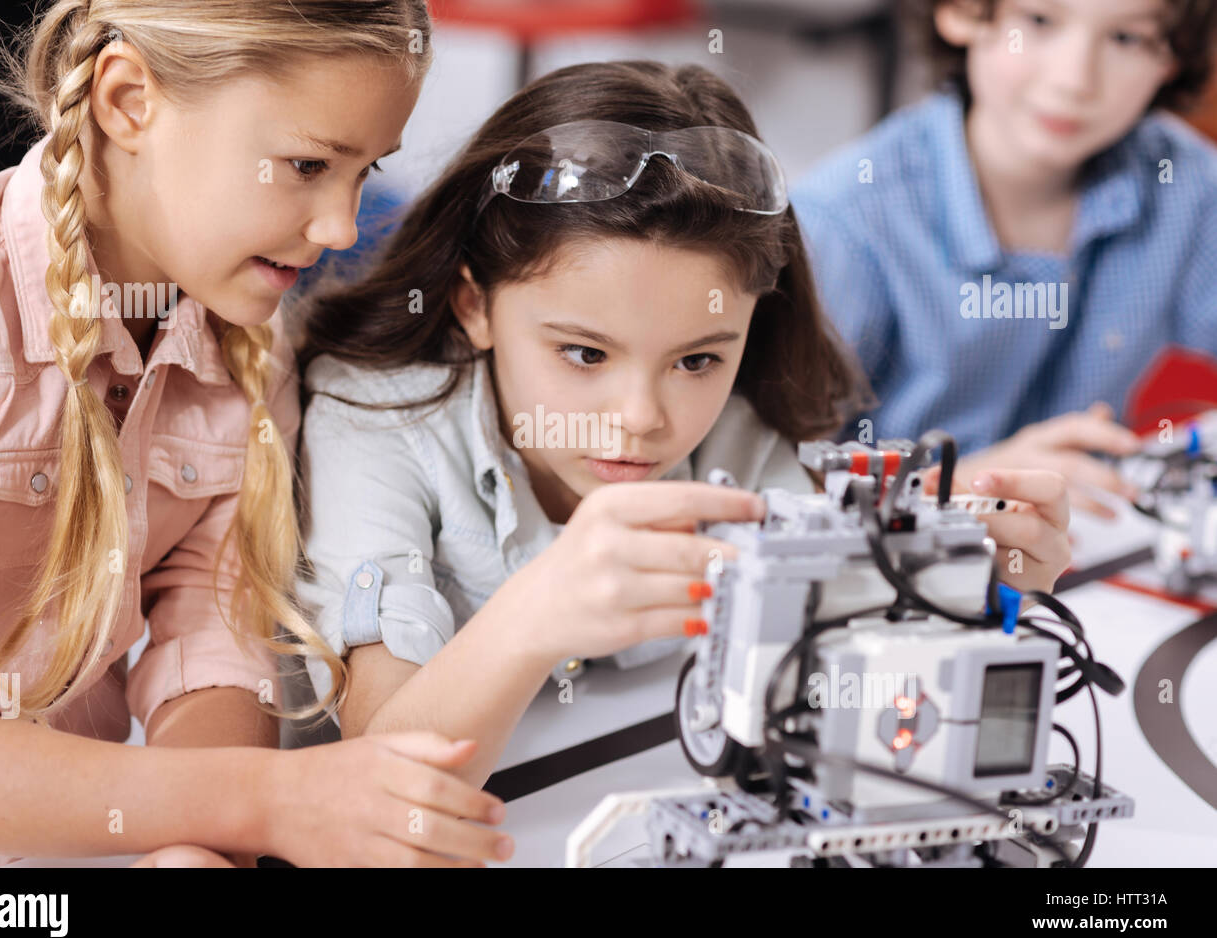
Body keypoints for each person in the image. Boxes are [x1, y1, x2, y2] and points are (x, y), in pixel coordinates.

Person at [295, 60, 1074, 786]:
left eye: (697, 360)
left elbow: (853, 665)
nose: (642, 418)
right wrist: (535, 611)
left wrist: (973, 587)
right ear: (474, 306)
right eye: (583, 353)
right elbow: (384, 773)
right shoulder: (374, 421)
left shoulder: (744, 438)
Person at [0, 0, 511, 868]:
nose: (343, 227)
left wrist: (203, 848)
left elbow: (210, 641)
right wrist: (273, 804)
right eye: (307, 164)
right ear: (127, 102)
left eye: (363, 172)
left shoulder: (249, 350)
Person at [791, 0, 1217, 517]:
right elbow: (770, 492)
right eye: (1038, 22)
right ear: (963, 12)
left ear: (1172, 56)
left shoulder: (1186, 182)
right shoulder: (843, 224)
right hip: (888, 569)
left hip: (1087, 554)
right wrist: (959, 485)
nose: (1075, 80)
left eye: (1127, 39)